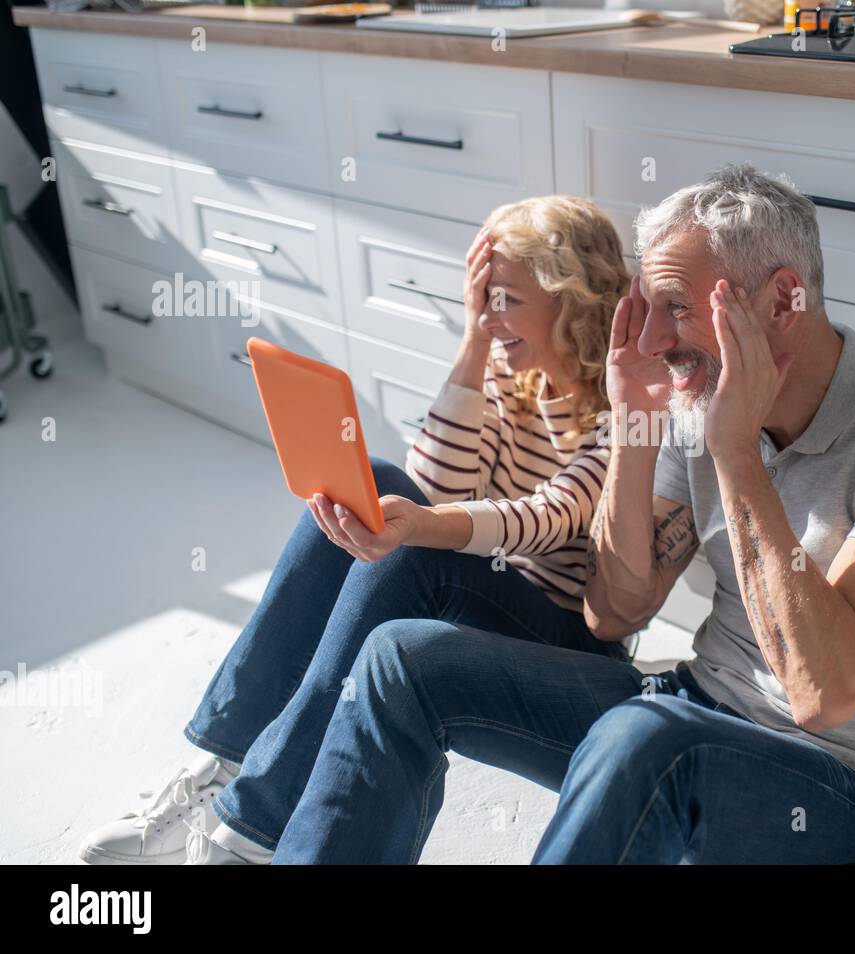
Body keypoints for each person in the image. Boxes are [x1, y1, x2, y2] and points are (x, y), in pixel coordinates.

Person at [271, 162, 855, 865]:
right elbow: (613, 616)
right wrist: (633, 423)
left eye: (677, 307)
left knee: (644, 737)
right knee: (403, 658)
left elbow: (824, 695)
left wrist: (737, 454)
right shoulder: (693, 399)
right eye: (646, 308)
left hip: (836, 784)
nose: (651, 341)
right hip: (691, 702)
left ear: (783, 303)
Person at [77, 196, 630, 864]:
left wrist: (423, 525)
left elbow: (545, 520)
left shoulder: (621, 409)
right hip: (486, 590)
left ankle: (252, 827)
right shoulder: (512, 380)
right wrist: (473, 343)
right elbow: (438, 489)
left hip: (562, 637)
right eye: (483, 297)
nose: (489, 314)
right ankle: (227, 768)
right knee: (373, 482)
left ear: (566, 300)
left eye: (505, 298)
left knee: (413, 547)